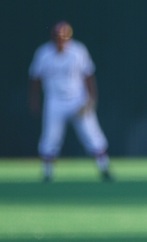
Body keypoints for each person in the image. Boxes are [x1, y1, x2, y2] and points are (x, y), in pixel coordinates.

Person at [29, 21, 112, 182]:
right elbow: (35, 78)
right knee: (50, 137)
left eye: (65, 38)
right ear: (53, 38)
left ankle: (105, 169)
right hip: (54, 100)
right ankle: (47, 173)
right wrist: (34, 100)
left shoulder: (78, 51)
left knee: (92, 135)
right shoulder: (44, 53)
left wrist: (91, 99)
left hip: (77, 99)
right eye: (59, 38)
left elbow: (88, 75)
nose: (62, 41)